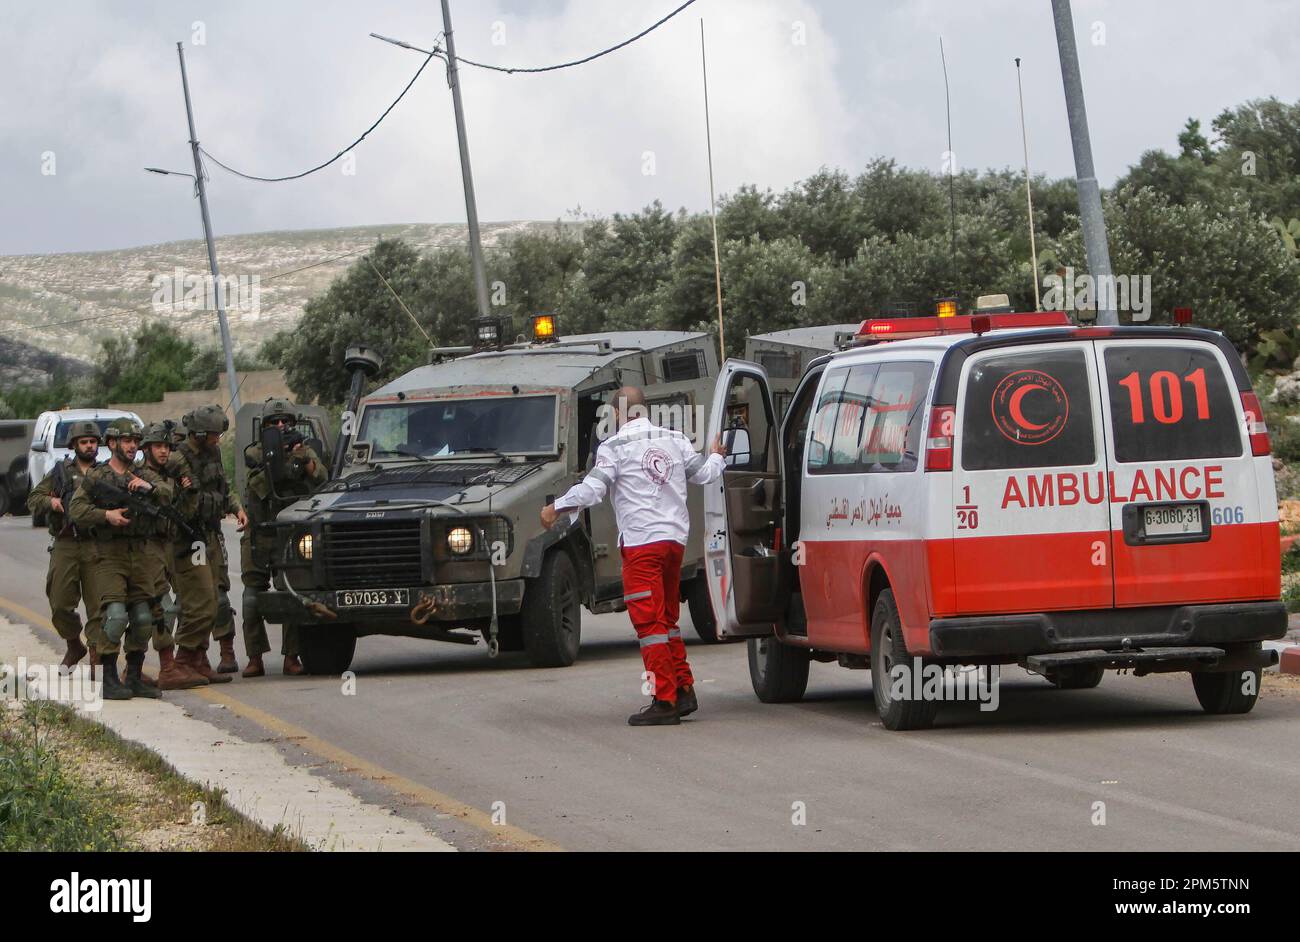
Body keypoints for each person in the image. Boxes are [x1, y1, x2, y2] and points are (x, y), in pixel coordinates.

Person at [540, 386, 726, 726]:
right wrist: (717, 454)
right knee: (667, 620)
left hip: (642, 546)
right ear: (645, 410)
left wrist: (558, 506)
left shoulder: (614, 447)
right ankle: (683, 689)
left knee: (650, 625)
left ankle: (664, 699)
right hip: (674, 544)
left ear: (616, 415)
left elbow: (594, 490)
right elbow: (706, 474)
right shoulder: (675, 438)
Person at [68, 418, 170, 701]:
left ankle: (134, 676)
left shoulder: (143, 474)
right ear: (112, 443)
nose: (133, 446)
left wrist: (147, 488)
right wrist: (106, 516)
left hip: (140, 554)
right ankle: (109, 678)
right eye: (127, 441)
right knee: (115, 617)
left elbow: (168, 493)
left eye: (136, 441)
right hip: (109, 556)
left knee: (143, 618)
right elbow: (76, 509)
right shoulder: (98, 477)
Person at [240, 398, 328, 677]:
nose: (281, 426)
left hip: (290, 534)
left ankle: (292, 656)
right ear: (265, 428)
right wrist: (280, 457)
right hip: (260, 532)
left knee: (290, 592)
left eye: (286, 422)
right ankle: (255, 657)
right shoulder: (257, 452)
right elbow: (262, 483)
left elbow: (322, 479)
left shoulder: (305, 450)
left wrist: (304, 459)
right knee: (252, 598)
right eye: (274, 423)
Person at [170, 404, 246, 682]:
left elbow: (222, 488)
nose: (218, 439)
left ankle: (199, 660)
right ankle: (182, 661)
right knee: (198, 603)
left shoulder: (212, 453)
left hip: (212, 533)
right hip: (190, 537)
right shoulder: (178, 459)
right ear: (200, 433)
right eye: (214, 434)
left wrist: (236, 508)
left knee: (215, 599)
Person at [26, 420, 102, 673]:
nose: (89, 446)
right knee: (59, 602)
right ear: (74, 445)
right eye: (84, 442)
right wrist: (53, 502)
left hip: (95, 544)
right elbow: (34, 498)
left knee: (98, 605)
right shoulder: (60, 472)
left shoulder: (103, 473)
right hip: (66, 542)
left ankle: (96, 656)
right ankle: (74, 644)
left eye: (92, 442)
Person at [138, 423, 206, 690]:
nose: (164, 451)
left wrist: (188, 490)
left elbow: (184, 512)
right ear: (147, 449)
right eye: (158, 446)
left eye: (167, 446)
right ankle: (164, 666)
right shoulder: (140, 476)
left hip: (169, 544)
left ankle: (170, 665)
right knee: (156, 607)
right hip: (148, 547)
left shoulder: (169, 477)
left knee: (171, 606)